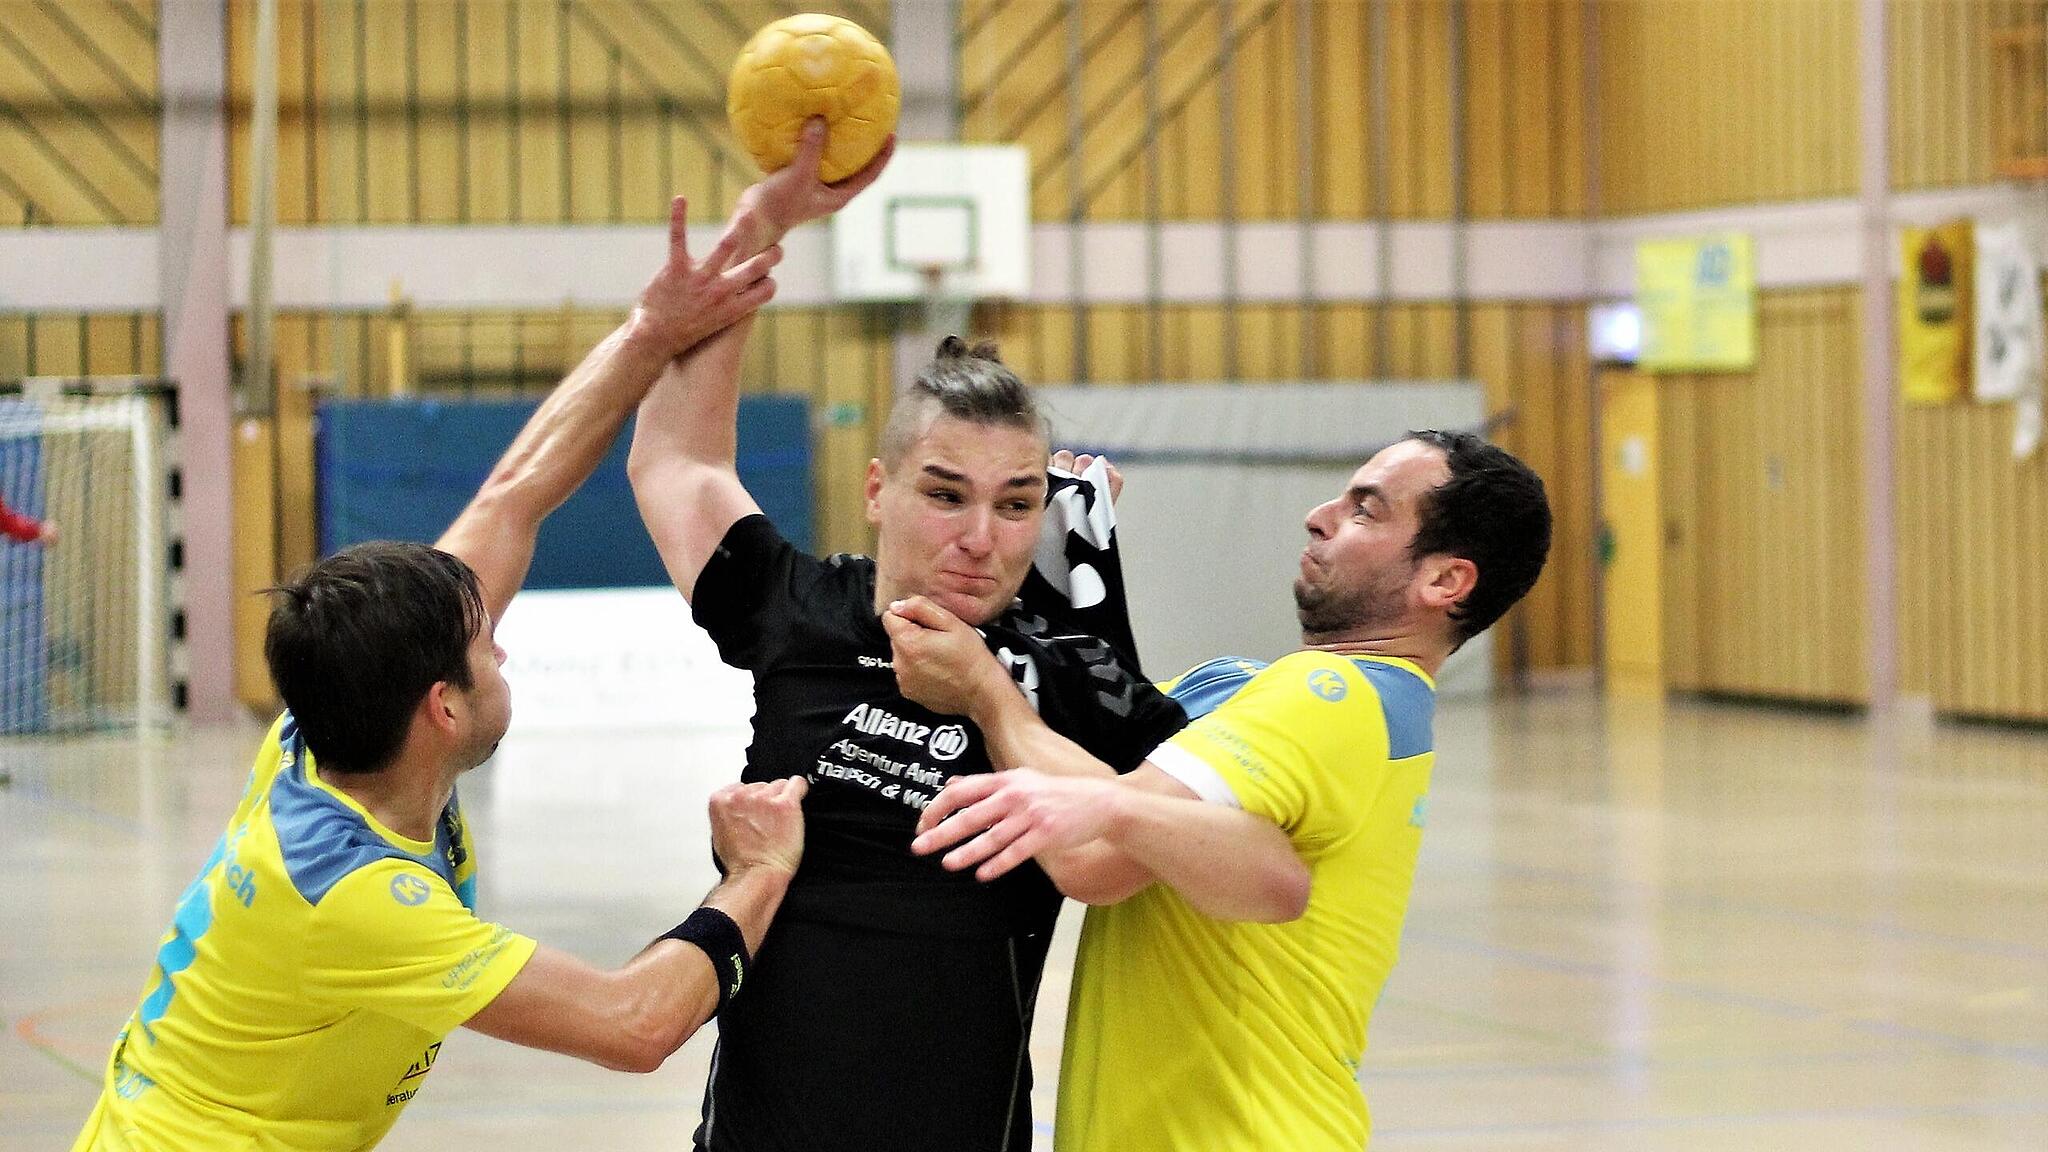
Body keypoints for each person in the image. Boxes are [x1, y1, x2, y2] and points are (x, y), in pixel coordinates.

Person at [69, 139, 890, 1152]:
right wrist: (758, 872)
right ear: (440, 707)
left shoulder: (330, 724)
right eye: (487, 647)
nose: (503, 648)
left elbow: (516, 491)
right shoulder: (358, 895)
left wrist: (666, 318)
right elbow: (632, 1024)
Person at [627, 137, 1306, 1146]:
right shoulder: (803, 609)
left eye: (1015, 503)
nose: (979, 539)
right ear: (876, 490)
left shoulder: (1073, 676)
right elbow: (678, 458)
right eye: (944, 495)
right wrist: (762, 228)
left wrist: (997, 700)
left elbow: (1259, 872)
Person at [893, 429, 1554, 1151]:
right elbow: (1096, 748)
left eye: (1366, 511)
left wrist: (988, 694)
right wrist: (1069, 566)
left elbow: (1092, 855)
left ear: (1444, 582)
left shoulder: (1328, 695)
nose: (1320, 514)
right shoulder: (1249, 686)